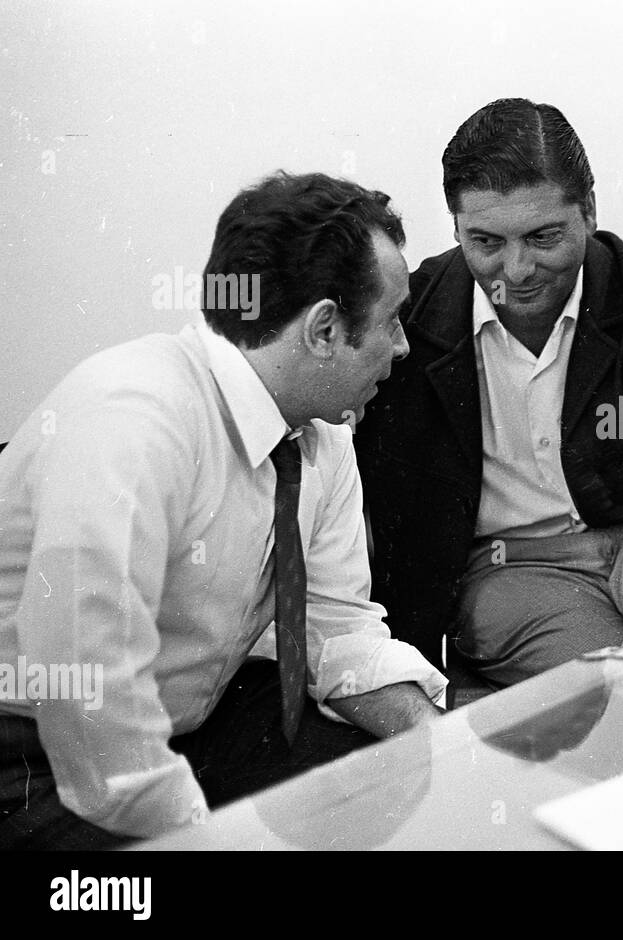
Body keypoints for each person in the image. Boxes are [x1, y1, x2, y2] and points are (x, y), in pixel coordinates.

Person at [0, 172, 446, 849]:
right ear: (325, 328)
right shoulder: (134, 423)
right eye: (391, 321)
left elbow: (337, 631)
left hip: (201, 716)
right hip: (38, 751)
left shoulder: (322, 435)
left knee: (389, 806)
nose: (404, 346)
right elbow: (94, 709)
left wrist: (436, 742)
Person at [355, 98, 623, 688]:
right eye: (485, 241)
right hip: (508, 568)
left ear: (588, 210)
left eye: (543, 237)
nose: (516, 270)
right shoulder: (412, 317)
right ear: (455, 226)